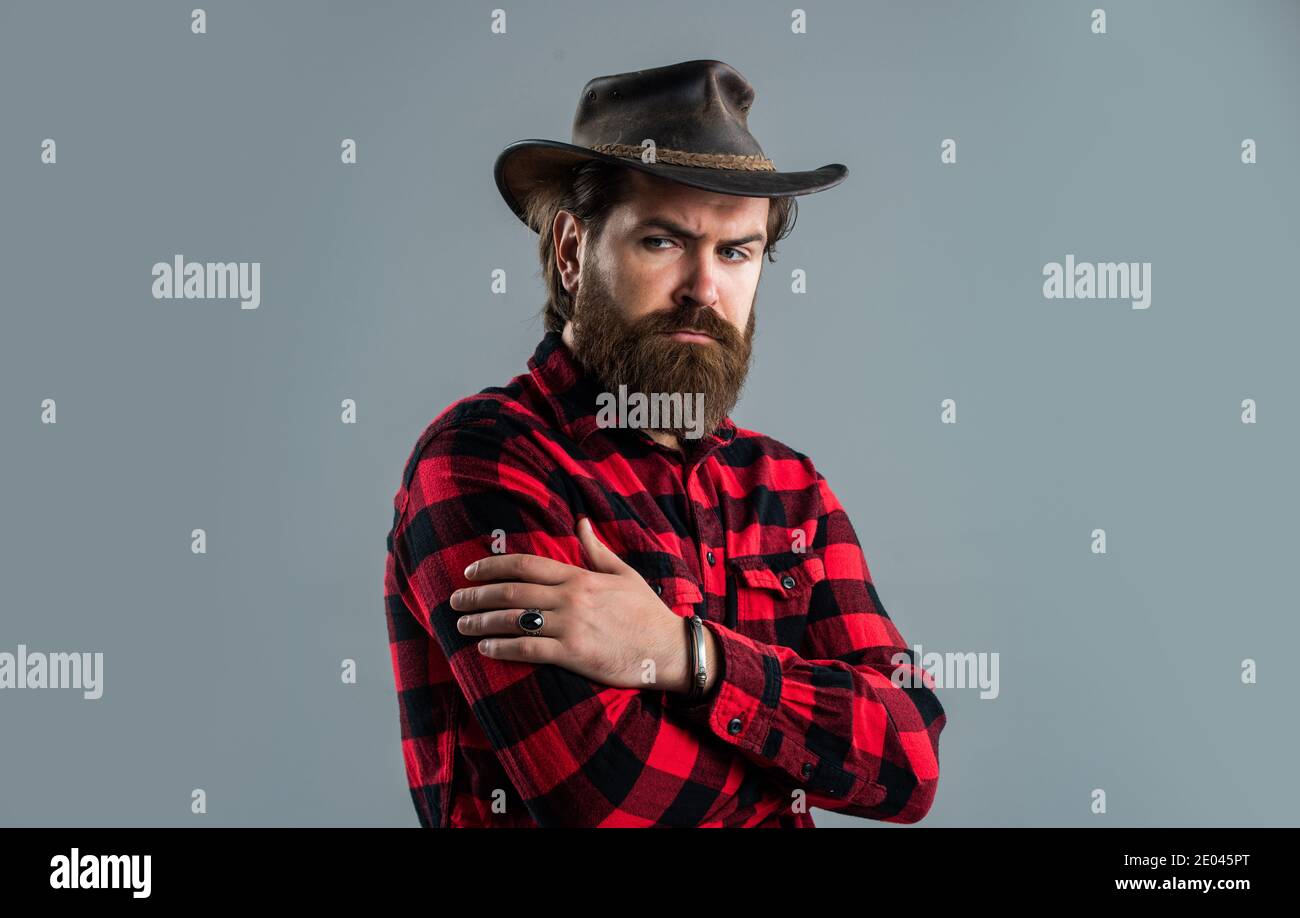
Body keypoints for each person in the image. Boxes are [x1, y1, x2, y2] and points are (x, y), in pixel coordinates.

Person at [384, 59, 945, 827]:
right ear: (573, 252)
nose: (703, 288)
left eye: (735, 252)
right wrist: (801, 771)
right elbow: (604, 798)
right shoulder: (484, 460)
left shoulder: (786, 486)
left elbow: (911, 759)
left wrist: (689, 656)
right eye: (663, 241)